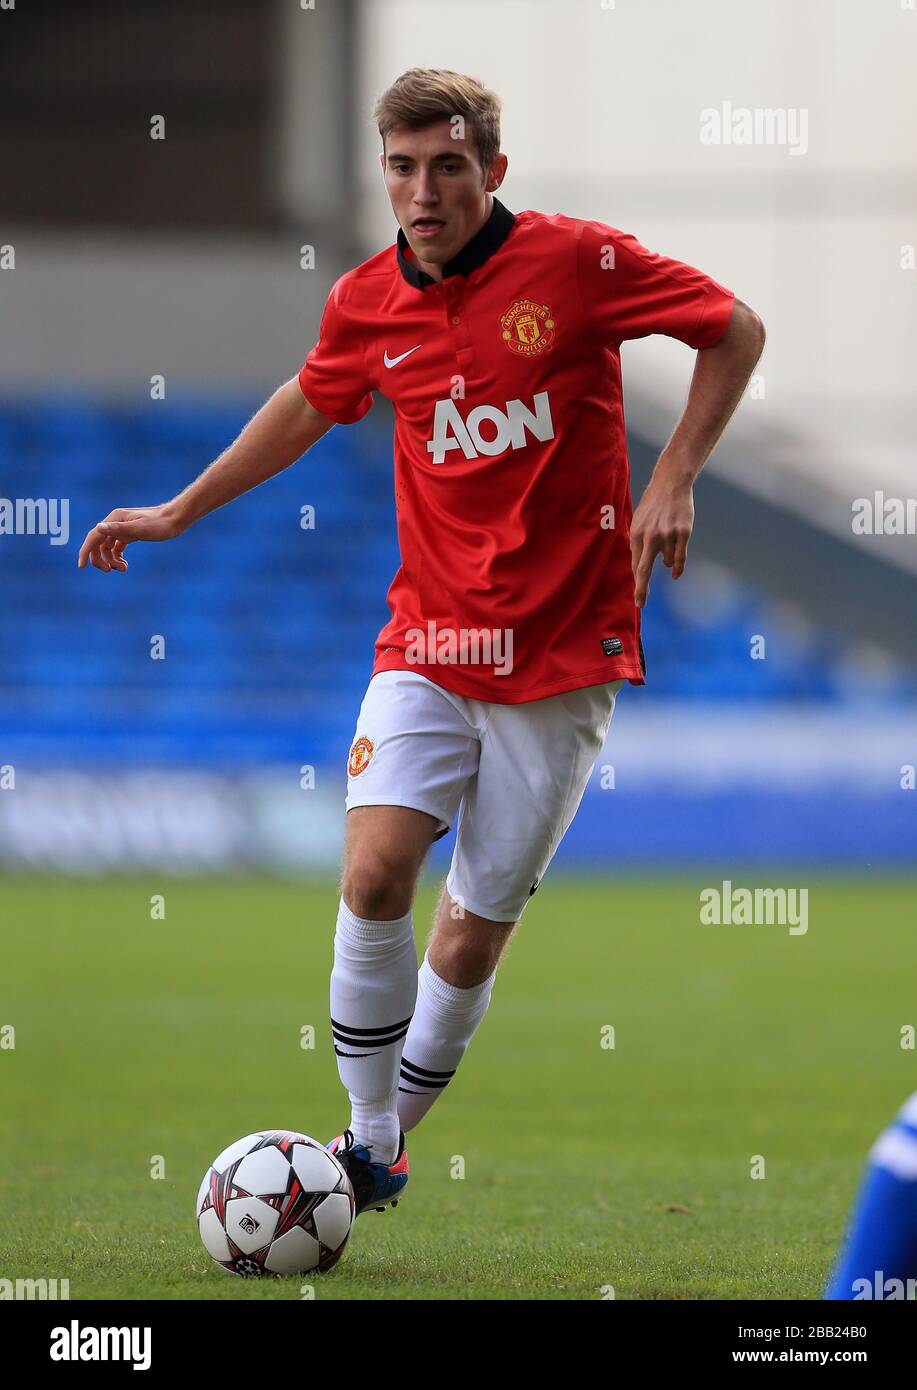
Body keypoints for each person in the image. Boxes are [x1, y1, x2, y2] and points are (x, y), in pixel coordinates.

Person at [78, 68, 765, 1219]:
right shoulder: (364, 303)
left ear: (491, 171)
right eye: (401, 167)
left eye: (447, 165)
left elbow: (732, 330)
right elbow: (307, 399)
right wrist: (178, 509)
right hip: (428, 642)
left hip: (560, 661)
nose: (423, 189)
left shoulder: (575, 264)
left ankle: (372, 1145)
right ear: (382, 173)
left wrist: (673, 477)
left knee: (465, 942)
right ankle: (365, 1144)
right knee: (374, 870)